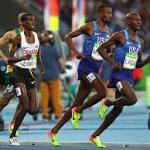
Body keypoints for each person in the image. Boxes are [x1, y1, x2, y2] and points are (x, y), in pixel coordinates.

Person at [48, 1, 112, 147]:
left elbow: (104, 51)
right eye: (106, 12)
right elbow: (68, 37)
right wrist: (76, 52)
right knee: (102, 92)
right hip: (86, 68)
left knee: (75, 103)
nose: (109, 15)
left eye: (111, 13)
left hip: (95, 68)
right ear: (100, 13)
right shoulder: (90, 26)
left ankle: (54, 131)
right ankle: (79, 111)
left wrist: (109, 54)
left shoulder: (108, 31)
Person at [87, 12, 150, 148]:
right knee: (132, 99)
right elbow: (100, 49)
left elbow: (137, 64)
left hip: (128, 76)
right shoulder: (120, 35)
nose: (139, 22)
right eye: (135, 20)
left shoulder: (140, 41)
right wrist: (112, 63)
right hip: (118, 75)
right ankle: (107, 102)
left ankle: (94, 136)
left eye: (140, 20)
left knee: (118, 110)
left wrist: (147, 60)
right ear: (128, 22)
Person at [8, 12, 44, 145]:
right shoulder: (18, 38)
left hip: (31, 75)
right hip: (18, 74)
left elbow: (38, 53)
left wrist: (40, 65)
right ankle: (13, 135)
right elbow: (9, 59)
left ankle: (15, 119)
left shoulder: (36, 36)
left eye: (34, 20)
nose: (33, 23)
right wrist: (22, 57)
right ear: (23, 23)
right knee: (25, 104)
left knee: (33, 110)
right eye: (30, 21)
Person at [0, 12, 31, 133]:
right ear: (21, 22)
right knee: (6, 99)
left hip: (27, 71)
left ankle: (13, 124)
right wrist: (6, 59)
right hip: (14, 71)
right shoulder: (12, 34)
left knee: (25, 100)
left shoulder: (32, 35)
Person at [40, 30, 64, 121]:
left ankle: (45, 115)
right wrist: (62, 69)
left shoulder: (39, 49)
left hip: (44, 76)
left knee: (44, 98)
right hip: (54, 76)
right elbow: (60, 62)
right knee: (56, 97)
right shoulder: (54, 49)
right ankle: (58, 114)